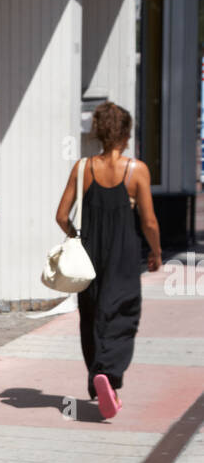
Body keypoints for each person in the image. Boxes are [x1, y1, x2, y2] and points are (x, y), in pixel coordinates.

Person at [55, 101, 161, 419]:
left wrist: (78, 236)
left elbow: (61, 216)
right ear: (126, 133)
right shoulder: (136, 170)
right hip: (124, 255)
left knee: (91, 316)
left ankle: (97, 377)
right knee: (123, 314)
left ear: (99, 132)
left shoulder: (82, 168)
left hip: (89, 254)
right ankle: (109, 375)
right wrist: (156, 252)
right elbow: (150, 222)